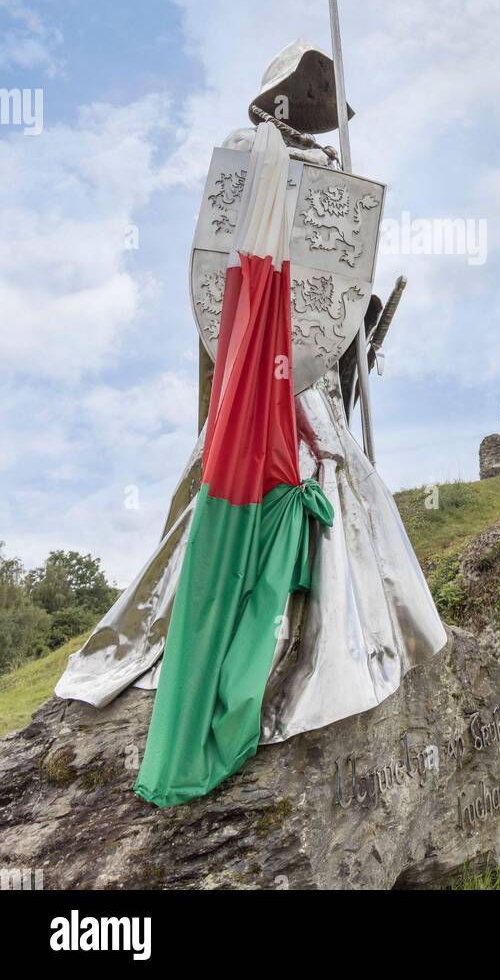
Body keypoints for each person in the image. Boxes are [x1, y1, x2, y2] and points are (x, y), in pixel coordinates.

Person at [55, 40, 447, 799]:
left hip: (307, 366)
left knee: (336, 475)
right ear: (277, 95)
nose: (312, 105)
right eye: (305, 90)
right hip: (258, 351)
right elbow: (230, 269)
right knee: (275, 469)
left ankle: (346, 626)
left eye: (319, 93)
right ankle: (262, 635)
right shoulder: (248, 153)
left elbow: (333, 282)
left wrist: (356, 325)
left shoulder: (332, 172)